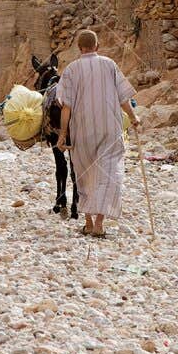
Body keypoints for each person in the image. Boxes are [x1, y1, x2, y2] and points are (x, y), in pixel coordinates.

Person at [56, 30, 137, 237]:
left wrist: (62, 134)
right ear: (97, 45)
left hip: (82, 130)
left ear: (79, 47)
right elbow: (123, 98)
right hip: (110, 128)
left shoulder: (71, 70)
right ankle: (100, 223)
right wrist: (134, 117)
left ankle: (89, 223)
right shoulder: (110, 64)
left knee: (85, 174)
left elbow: (66, 107)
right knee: (108, 173)